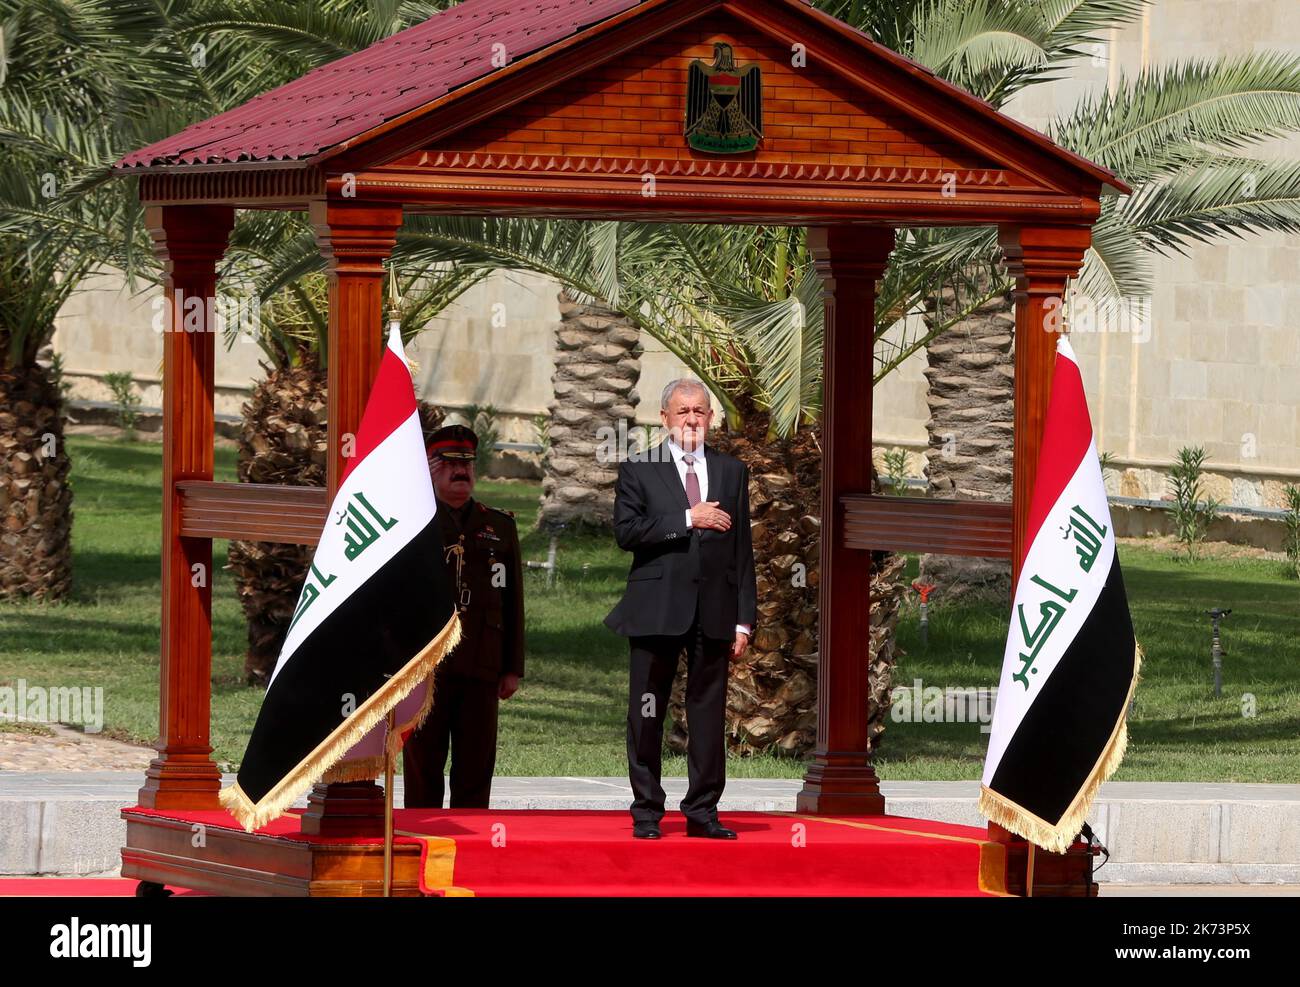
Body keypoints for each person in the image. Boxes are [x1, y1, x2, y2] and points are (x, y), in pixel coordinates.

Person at [604, 379, 757, 840]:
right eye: (682, 411)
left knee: (707, 714)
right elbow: (627, 532)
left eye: (700, 411)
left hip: (713, 611)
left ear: (711, 418)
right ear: (664, 417)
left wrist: (743, 618)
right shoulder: (639, 469)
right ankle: (647, 810)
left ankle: (703, 811)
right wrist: (689, 518)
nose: (692, 419)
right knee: (647, 712)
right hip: (656, 609)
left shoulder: (732, 471)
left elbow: (742, 550)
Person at [403, 424, 524, 809]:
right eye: (450, 464)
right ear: (430, 468)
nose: (461, 472)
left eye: (467, 464)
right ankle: (421, 840)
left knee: (475, 764)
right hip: (426, 668)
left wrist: (511, 668)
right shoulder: (412, 523)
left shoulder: (499, 527)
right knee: (423, 764)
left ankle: (472, 847)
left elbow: (512, 602)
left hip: (481, 665)